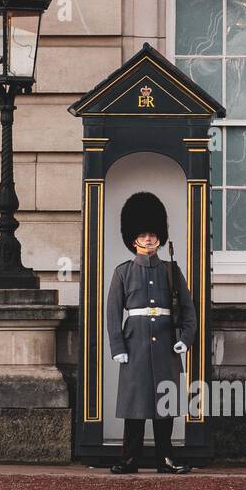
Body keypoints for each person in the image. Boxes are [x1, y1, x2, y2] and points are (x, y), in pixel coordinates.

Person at [105, 191, 197, 475]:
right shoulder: (123, 272)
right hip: (135, 346)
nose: (148, 239)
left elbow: (188, 309)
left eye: (152, 234)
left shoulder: (171, 271)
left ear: (160, 238)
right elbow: (112, 311)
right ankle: (129, 458)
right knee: (135, 406)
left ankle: (165, 459)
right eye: (142, 234)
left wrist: (184, 340)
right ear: (133, 238)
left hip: (166, 346)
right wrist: (118, 346)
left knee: (164, 406)